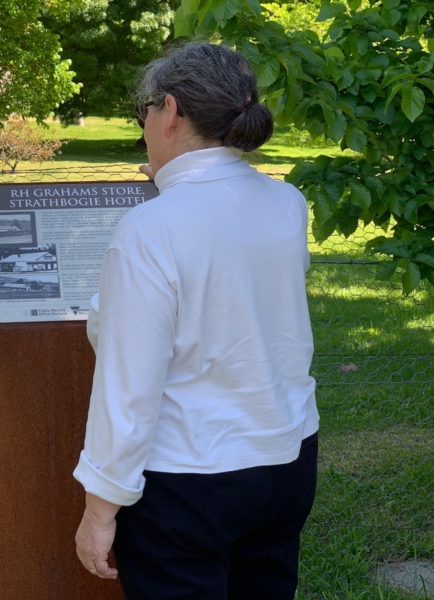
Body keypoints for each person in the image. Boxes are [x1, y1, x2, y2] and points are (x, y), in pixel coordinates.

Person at [73, 42, 319, 600]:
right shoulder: (287, 204)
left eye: (147, 112)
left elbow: (128, 387)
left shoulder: (152, 228)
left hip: (191, 479)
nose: (145, 124)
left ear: (172, 111)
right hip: (287, 459)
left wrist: (100, 509)